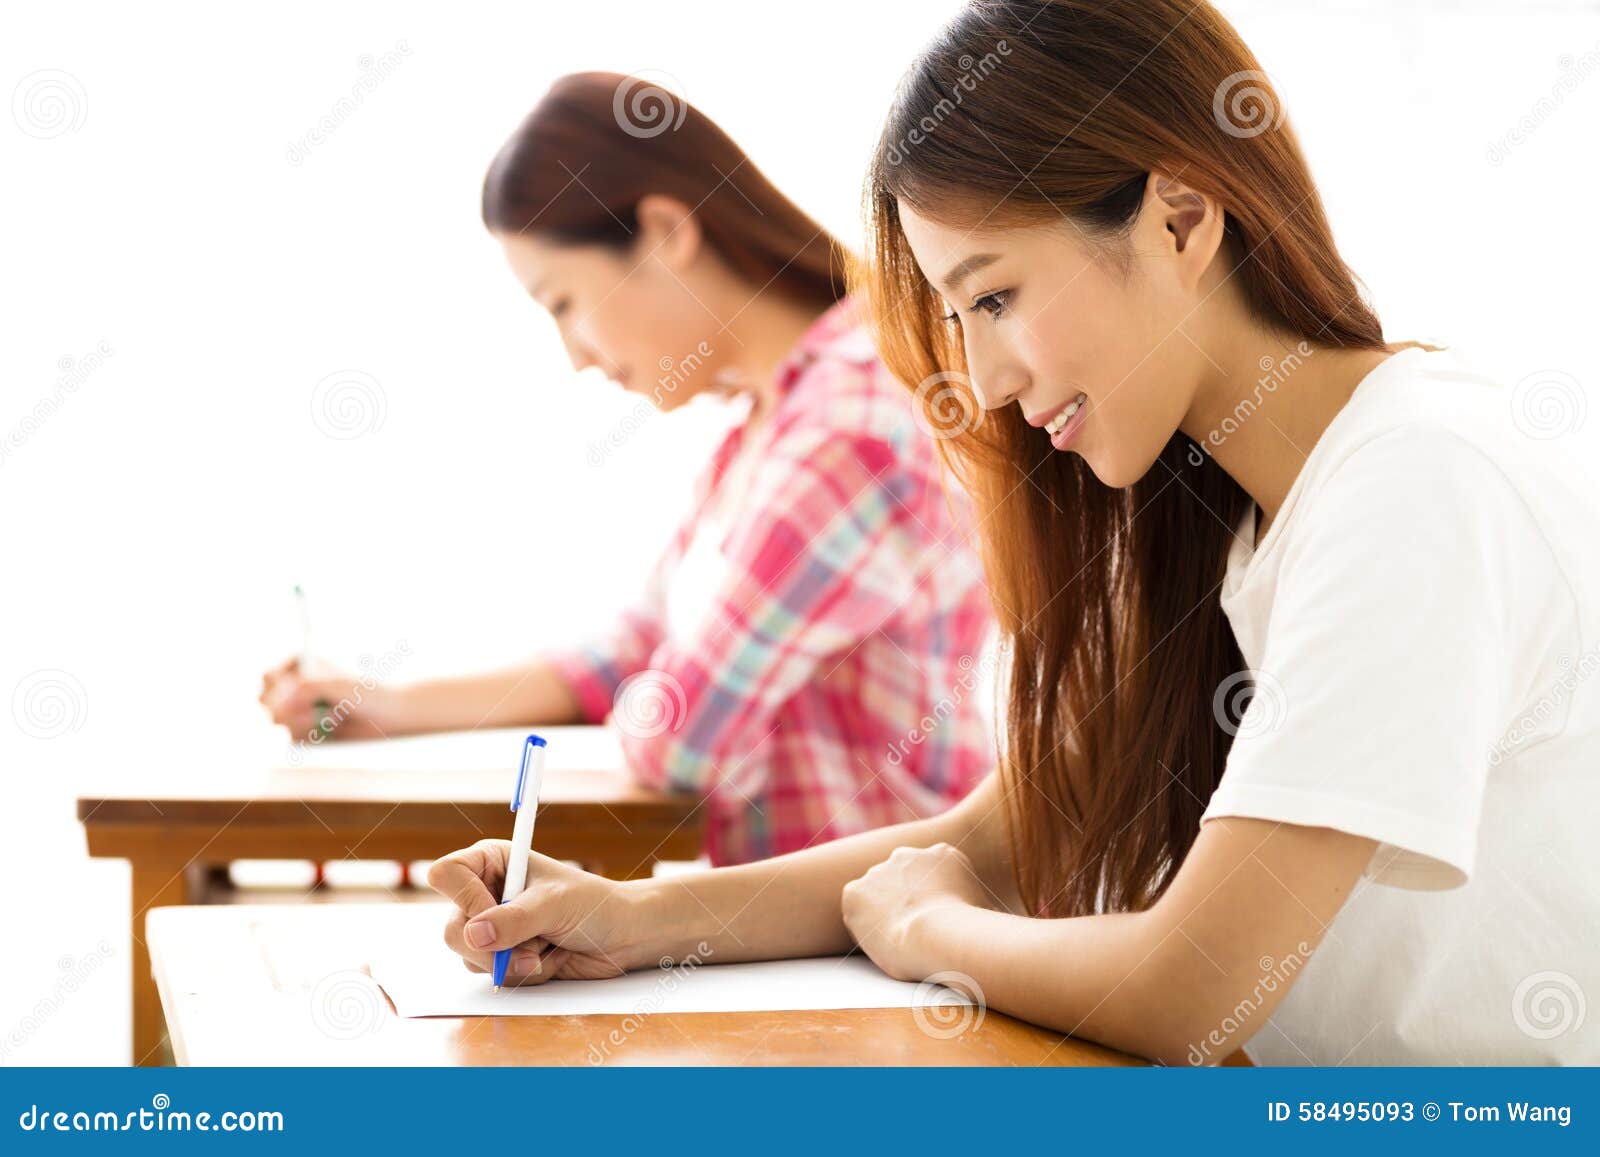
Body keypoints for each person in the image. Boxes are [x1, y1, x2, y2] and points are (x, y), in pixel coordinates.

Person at [426, 4, 1600, 1065]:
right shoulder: (1219, 513)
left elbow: (1189, 989)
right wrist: (633, 920)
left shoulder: (1416, 478)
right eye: (953, 316)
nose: (981, 380)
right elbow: (996, 838)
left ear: (1180, 217)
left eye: (993, 297)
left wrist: (929, 928)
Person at [261, 72, 995, 866]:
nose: (574, 355)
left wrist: (657, 695)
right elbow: (635, 647)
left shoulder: (849, 426)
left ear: (666, 231)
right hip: (820, 938)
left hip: (883, 954)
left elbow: (680, 736)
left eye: (564, 301)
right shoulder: (767, 424)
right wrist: (389, 706)